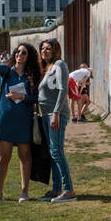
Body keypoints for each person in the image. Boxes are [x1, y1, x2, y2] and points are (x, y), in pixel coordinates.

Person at [0, 44, 41, 203]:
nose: (19, 54)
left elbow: (37, 98)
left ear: (28, 56)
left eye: (24, 52)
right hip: (6, 121)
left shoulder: (32, 76)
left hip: (23, 121)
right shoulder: (7, 72)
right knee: (3, 157)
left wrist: (22, 98)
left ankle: (24, 192)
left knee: (25, 156)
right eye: (18, 52)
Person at [37, 38, 77, 202]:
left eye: (48, 48)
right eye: (42, 48)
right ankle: (56, 189)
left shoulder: (60, 65)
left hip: (56, 114)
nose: (45, 51)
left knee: (56, 151)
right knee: (52, 153)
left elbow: (62, 90)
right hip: (45, 114)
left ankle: (68, 190)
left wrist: (56, 113)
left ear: (55, 50)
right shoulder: (46, 68)